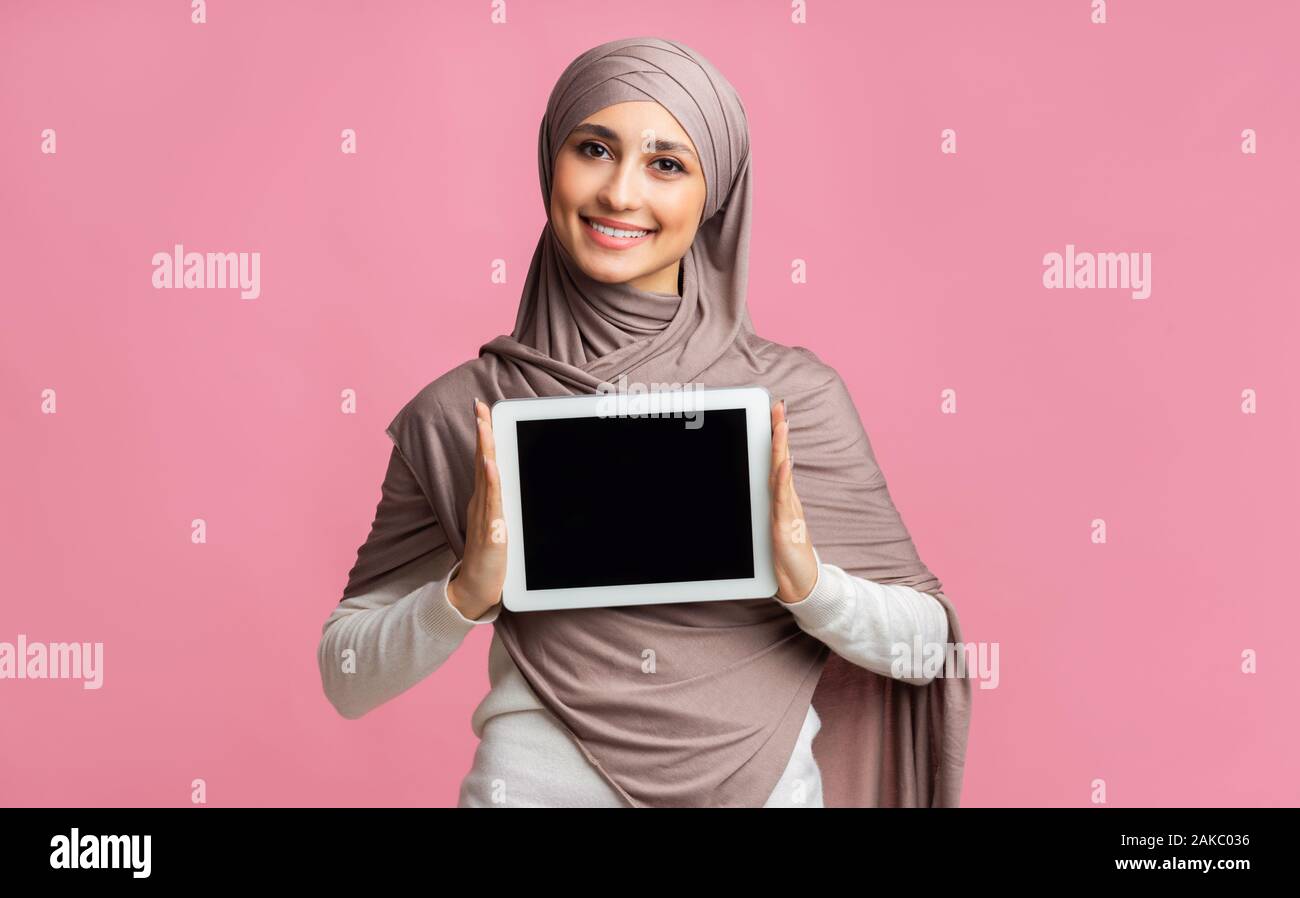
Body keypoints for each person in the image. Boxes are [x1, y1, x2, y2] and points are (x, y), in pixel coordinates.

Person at [318, 36, 972, 808]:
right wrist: (461, 596)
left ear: (715, 193)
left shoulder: (789, 395)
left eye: (667, 163)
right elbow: (345, 678)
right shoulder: (463, 413)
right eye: (594, 148)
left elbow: (927, 649)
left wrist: (809, 583)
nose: (621, 194)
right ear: (549, 162)